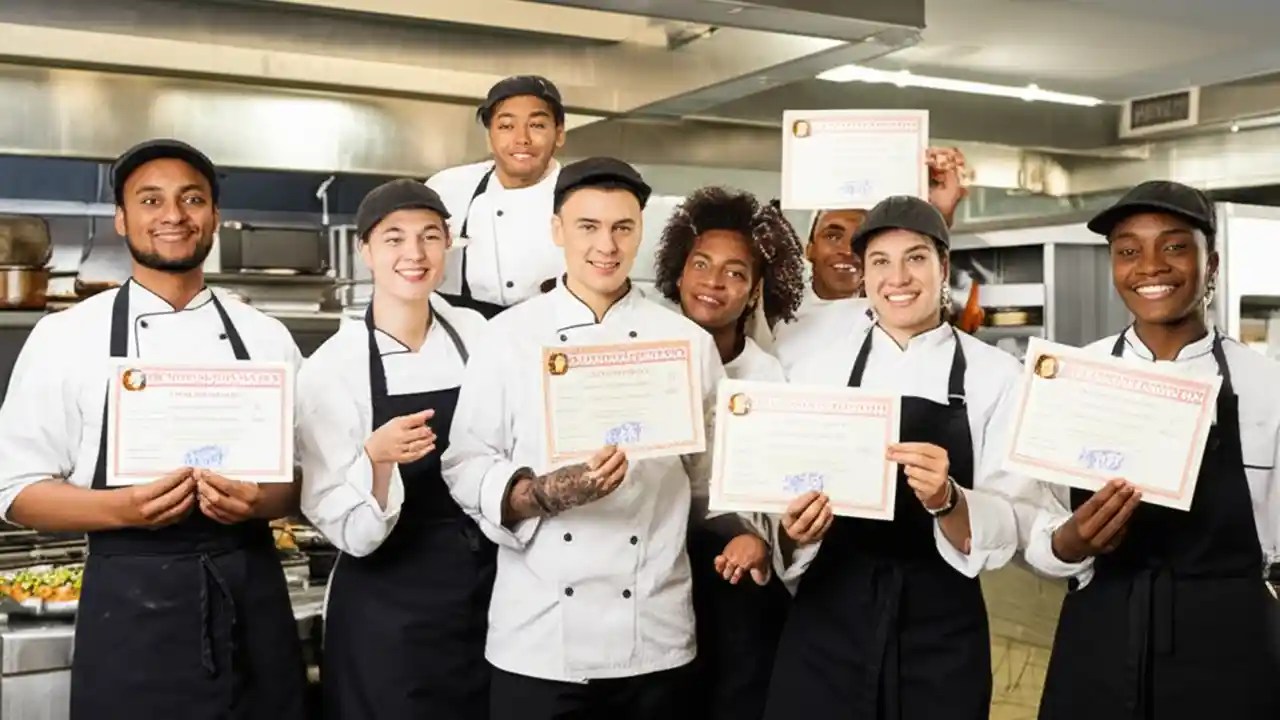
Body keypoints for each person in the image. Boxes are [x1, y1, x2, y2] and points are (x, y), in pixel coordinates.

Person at [441, 157, 768, 719]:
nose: (607, 246)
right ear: (557, 230)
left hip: (654, 634)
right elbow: (466, 462)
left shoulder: (685, 343)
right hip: (539, 636)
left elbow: (711, 479)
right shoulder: (508, 338)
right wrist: (540, 493)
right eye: (588, 227)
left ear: (640, 232)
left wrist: (748, 531)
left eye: (623, 228)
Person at [0, 139, 306, 719]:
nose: (173, 215)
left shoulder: (266, 337)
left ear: (214, 216)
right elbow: (14, 492)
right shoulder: (65, 338)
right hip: (130, 612)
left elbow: (304, 482)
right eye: (150, 200)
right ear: (122, 218)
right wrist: (123, 510)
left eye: (192, 199)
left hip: (252, 602)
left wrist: (257, 502)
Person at [763, 195, 1026, 720]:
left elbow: (1013, 518)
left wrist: (949, 499)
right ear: (863, 274)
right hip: (828, 616)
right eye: (881, 262)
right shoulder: (815, 372)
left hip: (940, 625)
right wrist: (794, 530)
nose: (898, 277)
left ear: (943, 267)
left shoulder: (997, 376)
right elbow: (778, 509)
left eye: (916, 258)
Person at [1025, 180, 1280, 719]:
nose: (1150, 266)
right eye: (1127, 251)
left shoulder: (1267, 387)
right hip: (1100, 637)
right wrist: (1070, 543)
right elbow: (1036, 533)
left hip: (1230, 650)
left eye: (1173, 245)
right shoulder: (1072, 379)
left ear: (1211, 263)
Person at [296, 180, 495, 719]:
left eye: (430, 236)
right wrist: (376, 458)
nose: (415, 254)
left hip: (488, 592)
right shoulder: (331, 370)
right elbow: (352, 532)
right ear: (365, 250)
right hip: (388, 609)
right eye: (394, 238)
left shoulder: (476, 334)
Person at [651, 185, 805, 719]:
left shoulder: (770, 377)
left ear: (757, 291)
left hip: (739, 577)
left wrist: (756, 538)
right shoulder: (645, 357)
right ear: (677, 272)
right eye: (701, 264)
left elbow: (779, 488)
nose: (714, 282)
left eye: (736, 272)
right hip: (656, 565)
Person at [773, 147, 970, 374]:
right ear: (809, 249)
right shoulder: (780, 313)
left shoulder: (892, 310)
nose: (847, 249)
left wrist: (941, 214)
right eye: (833, 236)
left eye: (858, 240)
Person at [428, 75, 567, 318]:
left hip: (553, 339)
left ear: (559, 134)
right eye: (506, 126)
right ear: (489, 137)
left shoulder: (581, 196)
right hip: (465, 337)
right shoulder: (447, 189)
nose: (522, 139)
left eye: (537, 125)